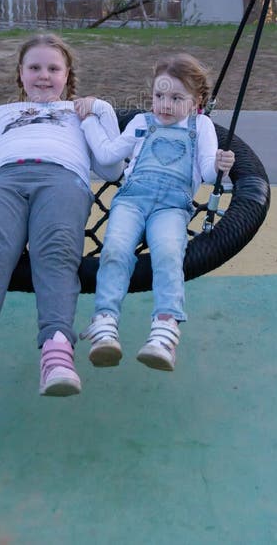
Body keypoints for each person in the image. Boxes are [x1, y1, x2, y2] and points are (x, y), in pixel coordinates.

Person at [0, 33, 123, 400]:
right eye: (34, 67)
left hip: (62, 180)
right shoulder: (1, 114)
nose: (43, 75)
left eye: (53, 68)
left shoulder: (81, 111)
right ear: (20, 74)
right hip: (4, 180)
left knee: (55, 251)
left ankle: (56, 353)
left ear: (67, 75)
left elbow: (112, 168)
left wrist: (100, 111)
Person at [76, 53, 235, 372]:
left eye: (176, 97)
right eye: (159, 96)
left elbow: (205, 172)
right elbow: (108, 153)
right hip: (131, 199)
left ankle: (165, 330)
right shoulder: (140, 123)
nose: (164, 104)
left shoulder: (200, 126)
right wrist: (88, 119)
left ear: (197, 100)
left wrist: (220, 165)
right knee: (116, 251)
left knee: (167, 255)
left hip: (172, 206)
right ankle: (105, 324)